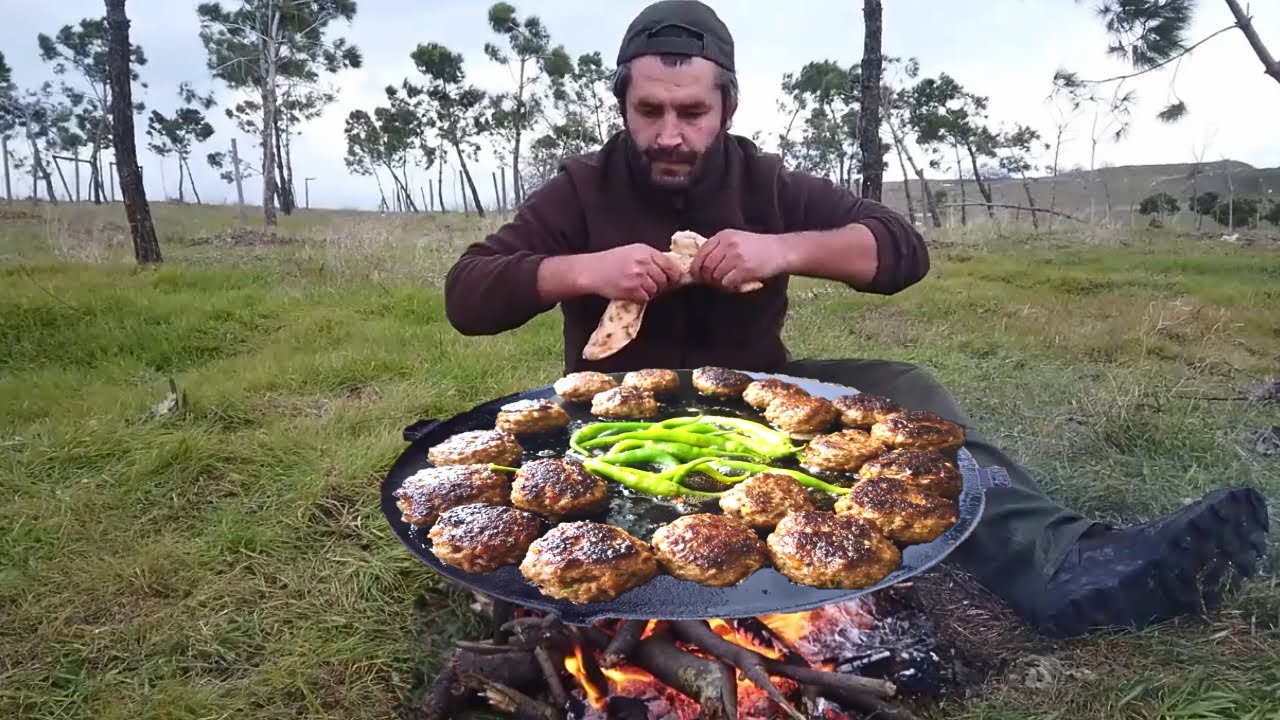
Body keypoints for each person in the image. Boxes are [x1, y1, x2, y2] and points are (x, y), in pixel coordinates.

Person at [442, 0, 1269, 637]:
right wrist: (581, 269)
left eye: (691, 112)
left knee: (907, 388)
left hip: (763, 399)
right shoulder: (578, 190)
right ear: (622, 103)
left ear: (725, 106)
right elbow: (467, 293)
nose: (671, 134)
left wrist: (783, 249)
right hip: (611, 415)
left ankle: (1062, 563)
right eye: (650, 110)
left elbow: (899, 249)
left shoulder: (768, 181)